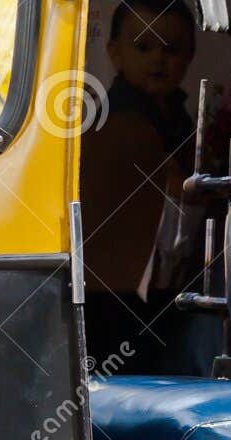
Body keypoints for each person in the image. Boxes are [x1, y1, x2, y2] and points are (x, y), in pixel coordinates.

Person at [80, 0, 198, 372]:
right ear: (115, 53)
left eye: (171, 50)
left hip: (150, 278)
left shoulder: (174, 114)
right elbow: (177, 187)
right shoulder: (119, 120)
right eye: (143, 48)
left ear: (189, 56)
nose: (158, 60)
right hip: (114, 288)